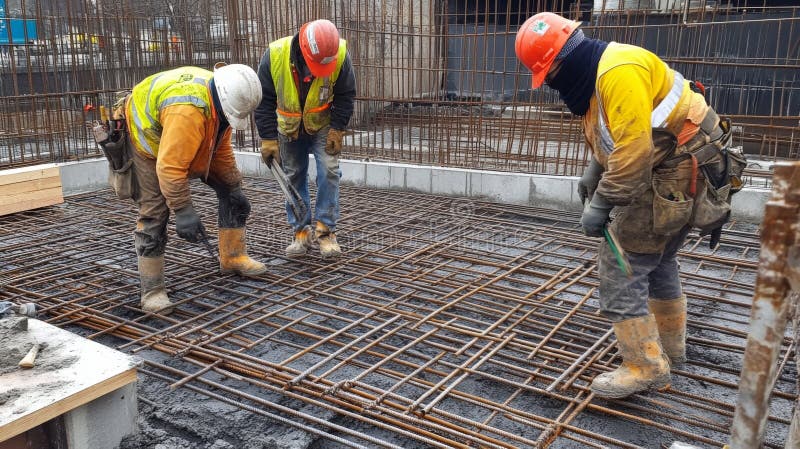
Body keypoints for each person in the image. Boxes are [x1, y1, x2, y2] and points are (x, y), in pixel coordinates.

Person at [516, 12, 735, 398]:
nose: (550, 84)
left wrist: (601, 202)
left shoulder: (617, 72)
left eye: (548, 75)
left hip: (679, 169)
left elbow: (633, 153)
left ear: (560, 63)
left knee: (623, 264)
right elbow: (621, 130)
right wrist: (594, 169)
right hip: (685, 163)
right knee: (659, 257)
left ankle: (644, 365)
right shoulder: (599, 70)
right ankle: (669, 347)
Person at [125, 63, 267, 314]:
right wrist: (183, 211)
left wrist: (233, 187)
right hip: (148, 141)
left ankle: (233, 257)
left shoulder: (220, 102)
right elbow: (170, 168)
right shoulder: (187, 111)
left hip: (178, 134)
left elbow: (220, 148)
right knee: (155, 212)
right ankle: (152, 290)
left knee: (231, 191)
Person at [254, 19, 356, 259]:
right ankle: (301, 232)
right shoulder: (275, 55)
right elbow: (263, 100)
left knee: (329, 172)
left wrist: (337, 129)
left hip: (322, 125)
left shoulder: (339, 54)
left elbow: (345, 94)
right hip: (289, 128)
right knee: (293, 175)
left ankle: (325, 232)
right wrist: (268, 138)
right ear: (304, 49)